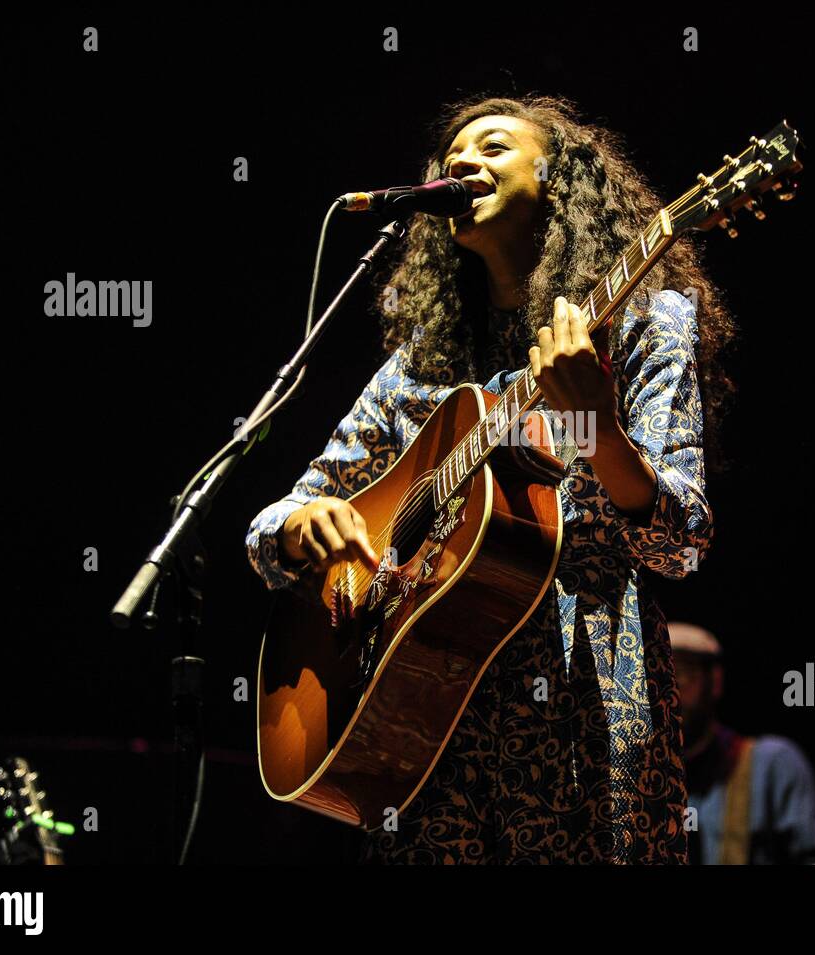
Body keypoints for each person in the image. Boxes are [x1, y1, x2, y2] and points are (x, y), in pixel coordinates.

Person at [246, 94, 739, 863]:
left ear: (558, 178)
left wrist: (600, 431)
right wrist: (301, 525)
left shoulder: (644, 321)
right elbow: (278, 520)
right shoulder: (420, 368)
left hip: (584, 717)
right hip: (425, 733)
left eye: (494, 146)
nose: (461, 163)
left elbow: (682, 544)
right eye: (451, 157)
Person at [669, 622, 815, 864]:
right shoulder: (624, 778)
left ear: (715, 681)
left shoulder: (771, 764)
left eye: (682, 673)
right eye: (651, 677)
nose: (667, 691)